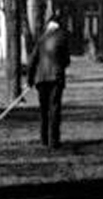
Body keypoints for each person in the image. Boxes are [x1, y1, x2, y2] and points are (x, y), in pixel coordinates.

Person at [30, 18, 72, 149]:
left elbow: (33, 60)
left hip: (41, 79)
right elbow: (67, 60)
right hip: (56, 79)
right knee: (54, 109)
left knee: (44, 110)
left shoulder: (41, 39)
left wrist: (30, 79)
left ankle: (43, 139)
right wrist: (60, 66)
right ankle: (54, 141)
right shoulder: (62, 38)